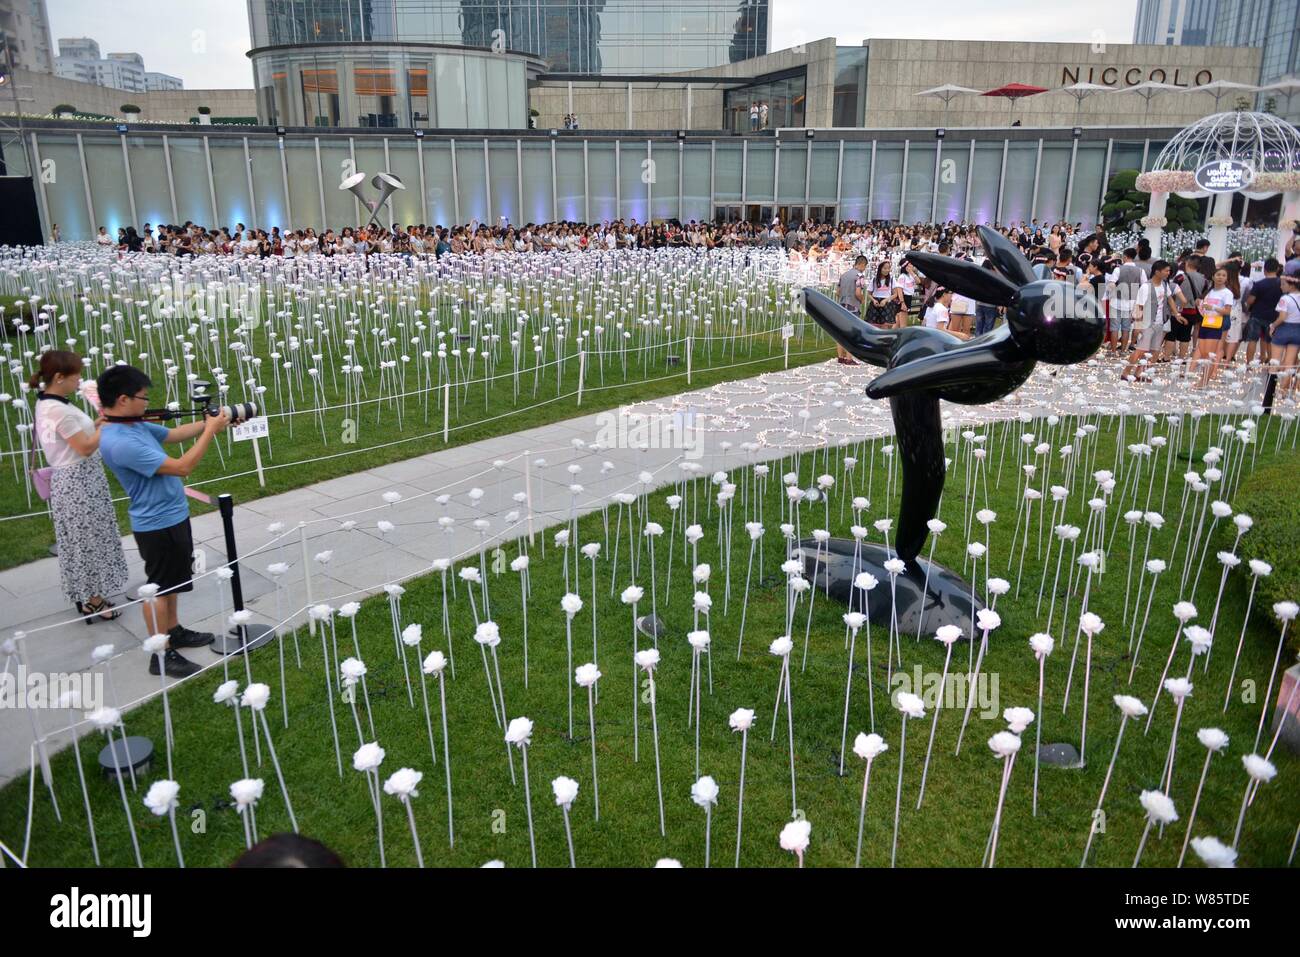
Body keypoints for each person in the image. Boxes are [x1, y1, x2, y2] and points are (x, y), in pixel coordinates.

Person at [97, 365, 230, 678]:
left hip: (171, 514)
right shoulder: (121, 441)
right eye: (143, 397)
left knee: (172, 583)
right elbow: (183, 466)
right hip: (156, 523)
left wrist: (209, 422)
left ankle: (174, 631)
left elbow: (173, 435)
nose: (147, 402)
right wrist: (210, 431)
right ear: (123, 399)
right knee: (157, 589)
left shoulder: (133, 425)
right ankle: (161, 655)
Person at [31, 351, 129, 622]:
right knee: (88, 540)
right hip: (79, 482)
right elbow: (84, 447)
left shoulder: (48, 403)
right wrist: (107, 424)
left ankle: (88, 593)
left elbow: (75, 437)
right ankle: (94, 600)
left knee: (84, 538)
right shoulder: (57, 409)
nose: (79, 382)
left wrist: (97, 423)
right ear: (59, 377)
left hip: (77, 480)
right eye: (75, 377)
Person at [1123, 259, 1182, 380]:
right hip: (1147, 323)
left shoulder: (1165, 284)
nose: (1168, 273)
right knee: (1140, 350)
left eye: (1169, 271)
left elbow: (1170, 298)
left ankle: (1140, 373)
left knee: (1154, 351)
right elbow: (1139, 306)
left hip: (1160, 322)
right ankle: (1125, 372)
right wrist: (1138, 326)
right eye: (1166, 270)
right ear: (1157, 271)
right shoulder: (1146, 287)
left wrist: (1176, 314)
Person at [1193, 266, 1234, 387]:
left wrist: (1214, 308)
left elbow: (1227, 311)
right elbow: (1204, 308)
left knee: (1209, 354)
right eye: (1218, 275)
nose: (1220, 277)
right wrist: (1200, 304)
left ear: (1226, 278)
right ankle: (1202, 380)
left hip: (1216, 324)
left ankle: (1204, 381)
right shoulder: (1210, 291)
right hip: (1205, 322)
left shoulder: (1227, 293)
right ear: (1213, 277)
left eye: (1223, 275)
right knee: (1203, 352)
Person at [1243, 257, 1281, 365]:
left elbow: (1250, 300)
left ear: (1264, 269)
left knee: (1253, 340)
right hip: (1274, 317)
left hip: (1257, 315)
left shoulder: (1259, 284)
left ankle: (1249, 364)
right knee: (1270, 341)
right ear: (1277, 269)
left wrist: (1247, 304)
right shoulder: (1281, 284)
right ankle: (1271, 364)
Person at [1270, 274, 1300, 399]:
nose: (1281, 287)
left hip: (1283, 329)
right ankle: (1282, 391)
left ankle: (1269, 391)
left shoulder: (1285, 299)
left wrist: (1273, 325)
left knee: (1275, 362)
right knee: (1289, 363)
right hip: (1297, 330)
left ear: (1291, 285)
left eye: (1283, 284)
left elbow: (1282, 317)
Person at [835, 255, 868, 363]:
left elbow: (837, 292)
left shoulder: (844, 275)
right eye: (865, 266)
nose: (865, 269)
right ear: (862, 264)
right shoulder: (859, 276)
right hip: (853, 307)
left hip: (842, 305)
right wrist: (862, 300)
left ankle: (840, 357)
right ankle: (849, 358)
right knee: (852, 333)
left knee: (840, 332)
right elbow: (858, 293)